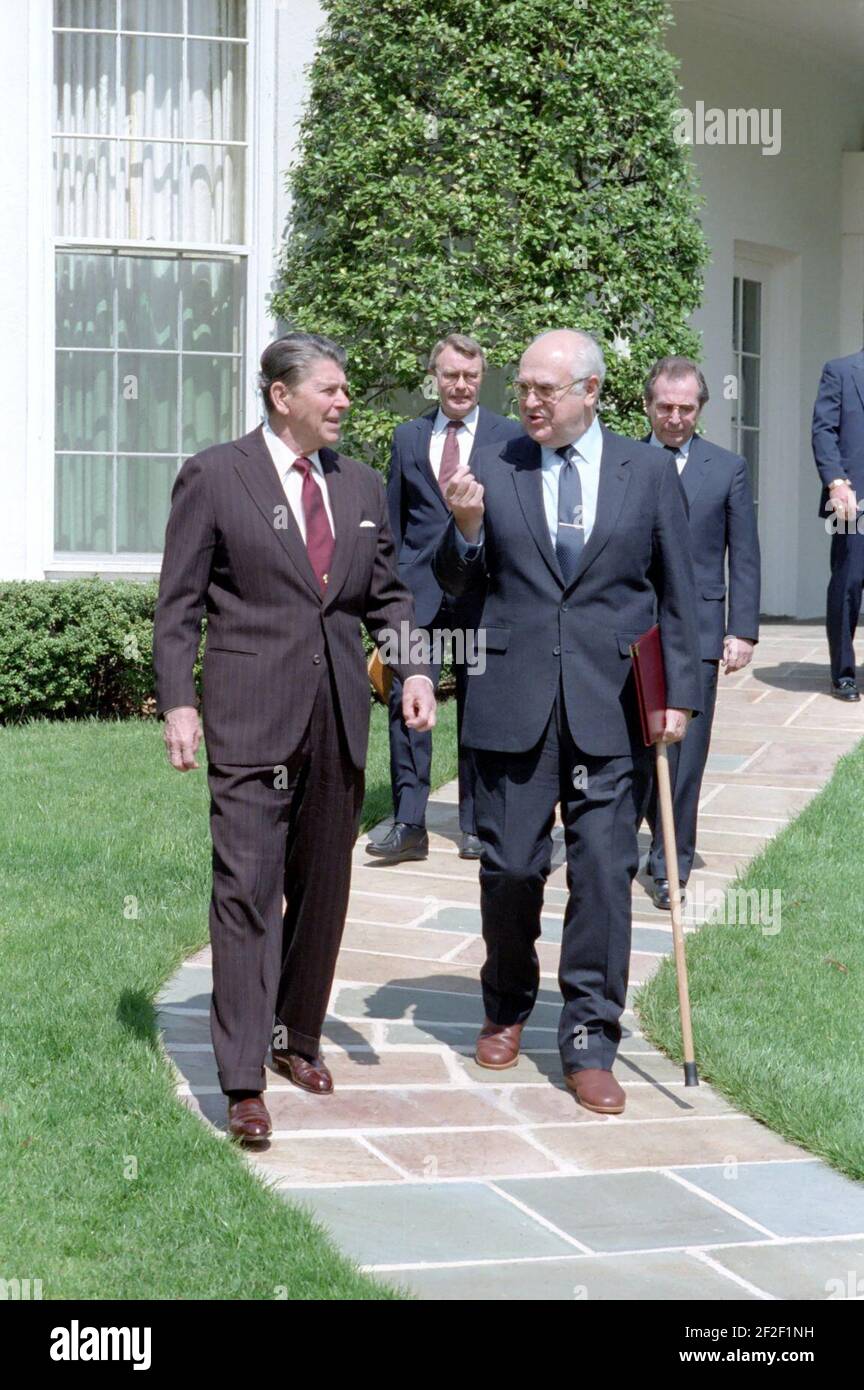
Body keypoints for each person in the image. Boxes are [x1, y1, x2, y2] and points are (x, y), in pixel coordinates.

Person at [153, 332, 435, 1144]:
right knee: (245, 891)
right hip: (249, 716)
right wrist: (179, 702)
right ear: (283, 395)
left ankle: (293, 1037)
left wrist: (413, 670)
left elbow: (389, 598)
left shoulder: (360, 487)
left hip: (338, 714)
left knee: (323, 888)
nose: (344, 402)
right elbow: (178, 605)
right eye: (332, 389)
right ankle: (242, 1078)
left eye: (345, 390)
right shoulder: (215, 475)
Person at [433, 329, 702, 1116]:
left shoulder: (646, 469)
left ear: (590, 391)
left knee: (603, 875)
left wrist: (676, 692)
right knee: (512, 867)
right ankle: (506, 1001)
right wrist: (467, 529)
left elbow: (678, 590)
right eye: (521, 388)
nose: (527, 403)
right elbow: (452, 585)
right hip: (513, 702)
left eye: (544, 390)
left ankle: (590, 1037)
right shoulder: (492, 464)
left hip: (612, 706)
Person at [367, 333, 521, 863]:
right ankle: (409, 822)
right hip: (418, 598)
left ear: (482, 379)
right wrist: (385, 585)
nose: (460, 384)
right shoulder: (408, 437)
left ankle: (476, 824)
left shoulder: (508, 436)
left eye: (470, 376)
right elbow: (391, 520)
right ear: (434, 375)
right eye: (451, 374)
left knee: (482, 708)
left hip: (481, 594)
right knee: (406, 704)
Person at [642, 356, 760, 910]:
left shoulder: (728, 467)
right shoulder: (624, 462)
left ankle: (673, 862)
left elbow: (746, 555)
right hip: (634, 627)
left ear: (701, 409)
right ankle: (647, 830)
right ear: (648, 405)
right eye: (665, 407)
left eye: (686, 408)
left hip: (702, 630)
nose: (675, 418)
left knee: (688, 749)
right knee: (633, 744)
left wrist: (742, 629)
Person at [811, 347, 864, 700]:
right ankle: (843, 674)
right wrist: (836, 481)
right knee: (847, 584)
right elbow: (823, 431)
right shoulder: (840, 371)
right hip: (852, 503)